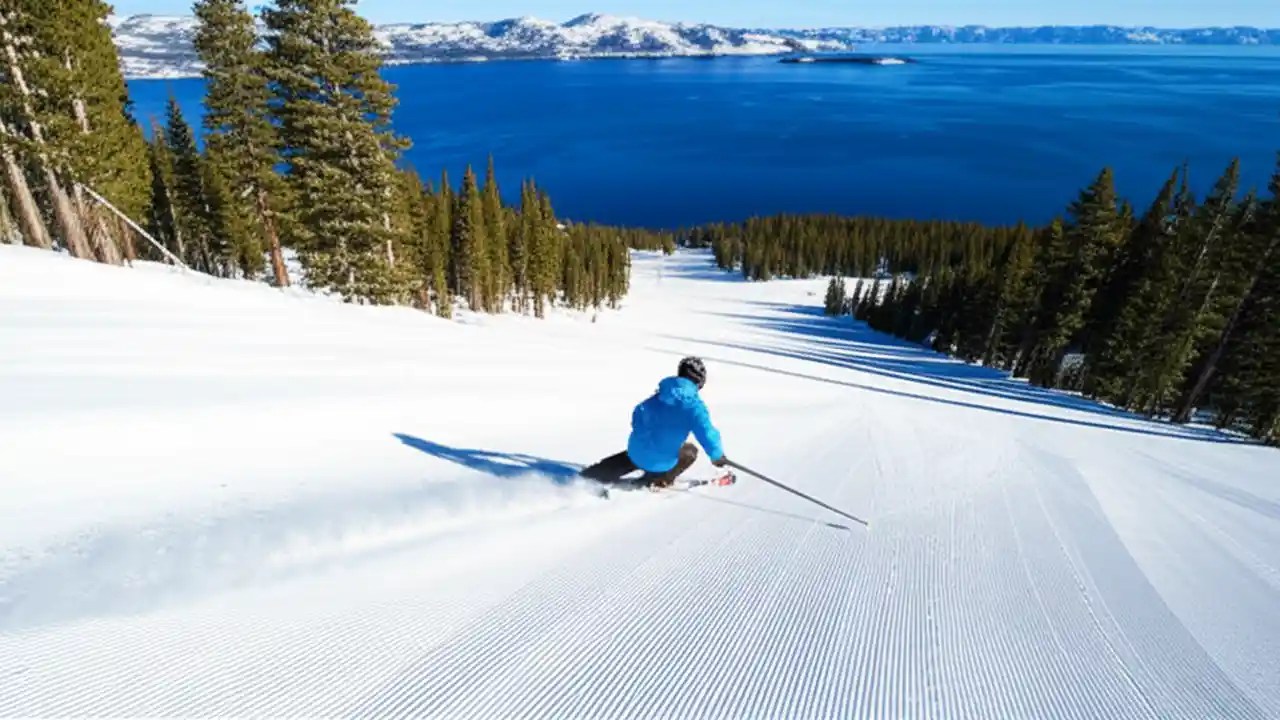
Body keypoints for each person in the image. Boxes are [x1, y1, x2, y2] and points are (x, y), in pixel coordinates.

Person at [581, 356, 728, 488]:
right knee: (690, 451)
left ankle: (594, 474)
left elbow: (638, 414)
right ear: (700, 380)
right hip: (662, 461)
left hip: (637, 453)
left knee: (638, 453)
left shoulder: (659, 395)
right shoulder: (695, 407)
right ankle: (659, 480)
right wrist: (717, 456)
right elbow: (706, 433)